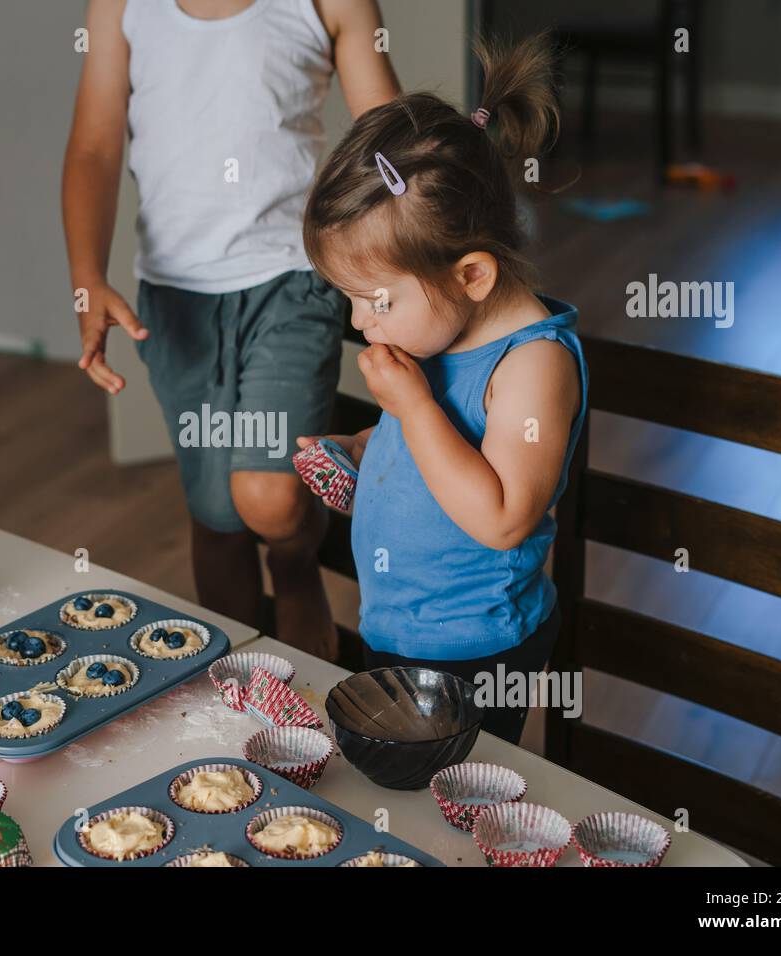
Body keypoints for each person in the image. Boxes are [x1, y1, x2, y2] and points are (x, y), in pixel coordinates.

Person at [62, 0, 401, 660]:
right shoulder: (121, 6)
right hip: (176, 303)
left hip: (292, 280)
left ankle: (296, 561)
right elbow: (94, 146)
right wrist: (87, 279)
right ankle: (235, 701)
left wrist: (405, 271)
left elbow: (390, 144)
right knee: (217, 518)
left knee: (268, 498)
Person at [297, 35, 588, 743]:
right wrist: (368, 447)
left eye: (375, 300)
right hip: (399, 625)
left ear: (473, 277)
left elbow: (502, 517)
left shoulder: (533, 366)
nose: (361, 323)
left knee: (454, 811)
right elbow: (433, 447)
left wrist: (413, 406)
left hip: (477, 650)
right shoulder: (436, 327)